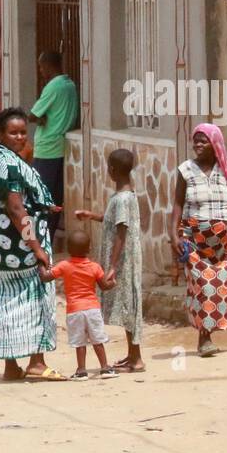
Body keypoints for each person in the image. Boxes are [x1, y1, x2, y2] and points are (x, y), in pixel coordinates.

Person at [0, 108, 64, 382]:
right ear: (0, 134)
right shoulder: (9, 165)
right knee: (37, 298)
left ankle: (10, 365)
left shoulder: (1, 161)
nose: (19, 137)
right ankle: (37, 362)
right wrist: (37, 247)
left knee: (6, 302)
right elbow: (16, 209)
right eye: (13, 132)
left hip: (2, 250)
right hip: (20, 248)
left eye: (22, 133)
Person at [170, 123, 227, 357]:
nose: (198, 145)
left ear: (215, 144)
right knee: (203, 287)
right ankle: (205, 338)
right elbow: (178, 204)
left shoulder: (225, 171)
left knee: (221, 287)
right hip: (194, 241)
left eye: (203, 141)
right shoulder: (185, 171)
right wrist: (173, 235)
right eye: (196, 141)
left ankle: (216, 326)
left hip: (223, 245)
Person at [74, 149, 145, 371]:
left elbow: (121, 231)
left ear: (111, 170)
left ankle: (137, 358)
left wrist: (113, 265)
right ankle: (132, 354)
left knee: (128, 306)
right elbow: (114, 220)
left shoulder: (123, 198)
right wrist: (92, 215)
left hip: (124, 262)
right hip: (123, 260)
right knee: (126, 306)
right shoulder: (124, 196)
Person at [40, 230, 118, 380]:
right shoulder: (95, 267)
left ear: (69, 249)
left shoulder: (64, 265)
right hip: (92, 309)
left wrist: (40, 263)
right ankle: (105, 368)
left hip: (74, 311)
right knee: (98, 340)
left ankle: (81, 371)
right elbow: (104, 286)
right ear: (89, 249)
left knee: (80, 342)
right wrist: (112, 282)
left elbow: (45, 277)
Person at [28, 51, 79, 233]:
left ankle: (39, 236)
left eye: (41, 67)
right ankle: (48, 234)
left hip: (46, 148)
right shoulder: (70, 85)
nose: (41, 71)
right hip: (59, 146)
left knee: (39, 195)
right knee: (55, 197)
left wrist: (40, 117)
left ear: (48, 65)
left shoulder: (53, 87)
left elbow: (32, 115)